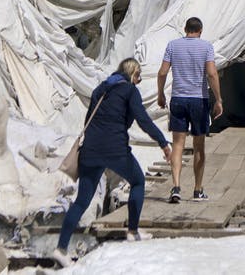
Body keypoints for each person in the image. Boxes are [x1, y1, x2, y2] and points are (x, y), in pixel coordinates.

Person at [53, 58, 172, 267]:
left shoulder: (101, 88)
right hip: (115, 149)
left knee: (82, 200)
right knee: (137, 181)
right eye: (139, 76)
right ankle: (133, 231)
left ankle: (61, 248)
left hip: (90, 149)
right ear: (133, 74)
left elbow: (89, 118)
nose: (139, 81)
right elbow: (143, 120)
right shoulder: (129, 90)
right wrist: (163, 142)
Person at [157, 16, 223, 203]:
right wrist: (218, 99)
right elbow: (211, 73)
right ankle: (197, 190)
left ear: (185, 29)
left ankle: (176, 187)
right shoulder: (206, 47)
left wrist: (161, 94)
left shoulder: (173, 45)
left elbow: (162, 72)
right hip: (198, 100)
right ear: (200, 31)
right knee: (199, 146)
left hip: (178, 99)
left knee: (177, 145)